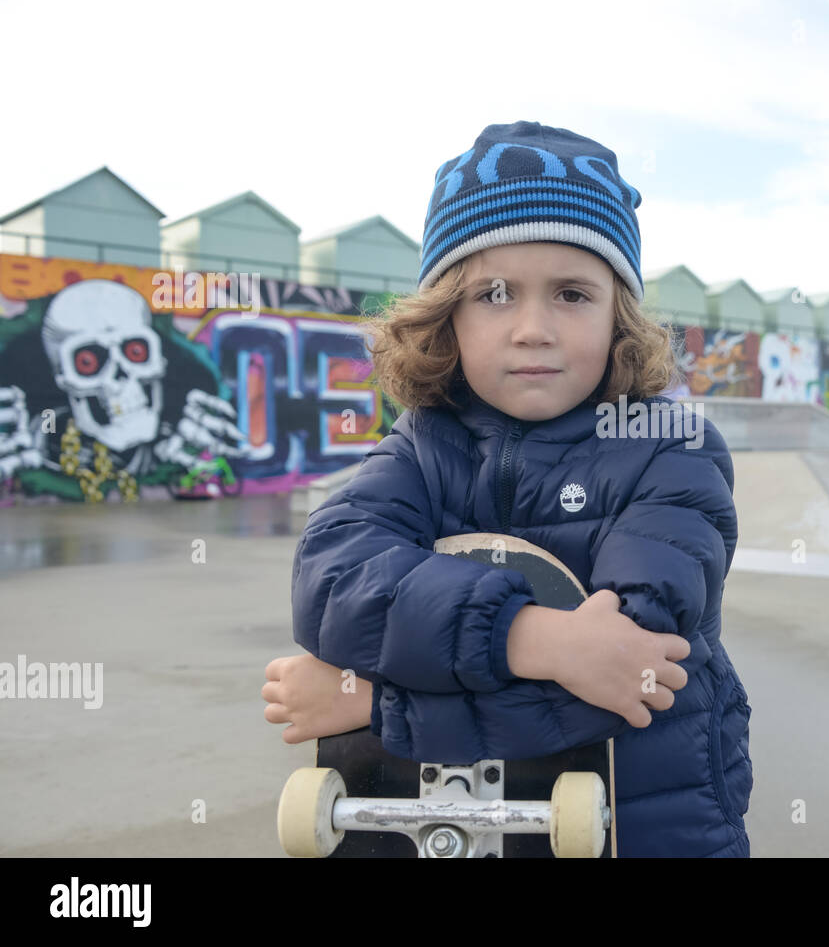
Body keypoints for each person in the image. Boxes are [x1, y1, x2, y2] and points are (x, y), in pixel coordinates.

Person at [261, 122, 752, 857]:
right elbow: (332, 582)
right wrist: (539, 639)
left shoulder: (669, 452)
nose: (533, 328)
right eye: (494, 293)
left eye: (572, 294)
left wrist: (371, 703)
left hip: (647, 828)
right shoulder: (424, 448)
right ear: (446, 317)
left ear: (618, 313)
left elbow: (629, 671)